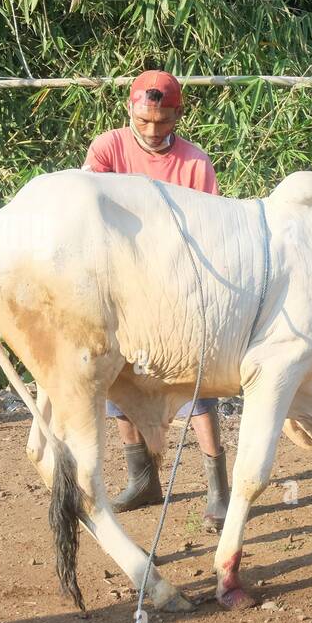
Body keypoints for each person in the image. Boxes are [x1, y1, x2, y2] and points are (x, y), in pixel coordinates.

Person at [81, 69, 230, 532]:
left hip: (176, 285)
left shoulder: (194, 162)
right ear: (130, 110)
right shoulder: (107, 148)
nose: (152, 131)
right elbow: (88, 207)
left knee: (194, 385)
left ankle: (218, 488)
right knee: (121, 382)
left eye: (162, 123)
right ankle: (143, 479)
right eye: (144, 121)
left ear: (177, 116)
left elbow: (211, 228)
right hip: (119, 287)